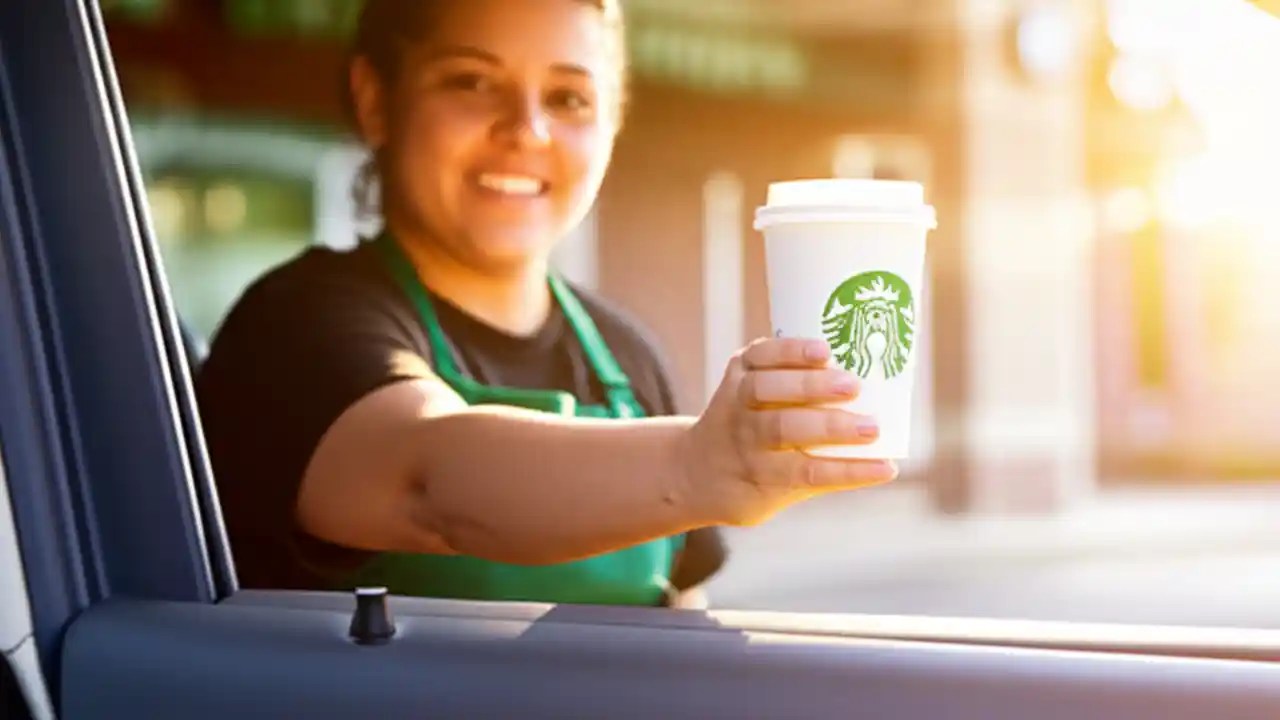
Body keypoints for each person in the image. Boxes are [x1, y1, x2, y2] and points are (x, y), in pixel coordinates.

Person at [195, 0, 896, 608]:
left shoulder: (627, 356)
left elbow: (681, 631)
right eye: (471, 81)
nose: (527, 129)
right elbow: (428, 483)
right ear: (377, 100)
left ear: (611, 125)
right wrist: (694, 466)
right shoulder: (296, 327)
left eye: (569, 99)